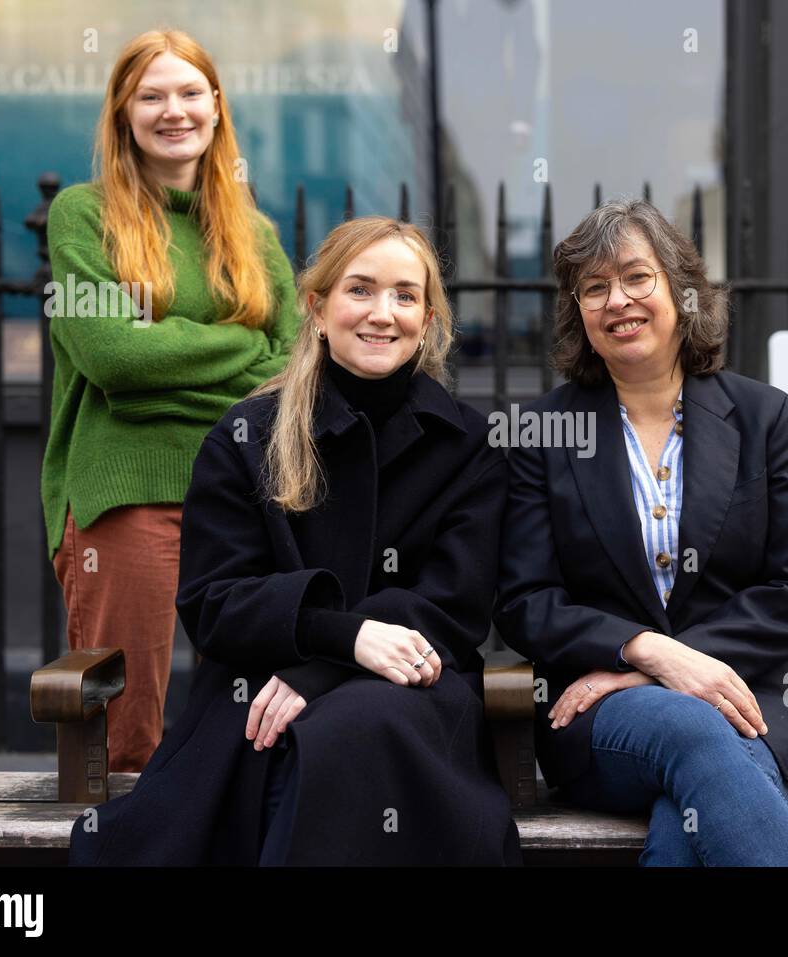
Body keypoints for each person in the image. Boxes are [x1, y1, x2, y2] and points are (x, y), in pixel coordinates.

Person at [68, 215, 523, 866]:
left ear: (427, 319)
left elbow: (455, 604)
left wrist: (325, 665)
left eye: (404, 295)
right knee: (285, 750)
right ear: (316, 307)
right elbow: (213, 601)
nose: (382, 313)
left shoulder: (468, 444)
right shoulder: (246, 435)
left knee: (344, 735)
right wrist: (339, 637)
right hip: (254, 688)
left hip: (415, 691)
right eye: (359, 289)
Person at [494, 199, 788, 866]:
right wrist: (644, 651)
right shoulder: (543, 432)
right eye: (594, 287)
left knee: (686, 821)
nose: (617, 300)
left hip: (750, 697)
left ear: (681, 290)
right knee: (693, 729)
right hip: (598, 715)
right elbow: (523, 600)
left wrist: (670, 666)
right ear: (579, 312)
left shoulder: (764, 418)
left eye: (635, 277)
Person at [42, 30, 301, 772]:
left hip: (243, 494)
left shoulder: (252, 234)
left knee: (258, 710)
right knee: (127, 734)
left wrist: (172, 358)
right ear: (124, 113)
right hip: (127, 494)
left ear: (217, 108)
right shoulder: (81, 217)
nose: (172, 110)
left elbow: (293, 366)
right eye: (150, 95)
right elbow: (113, 356)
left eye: (190, 92)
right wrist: (241, 349)